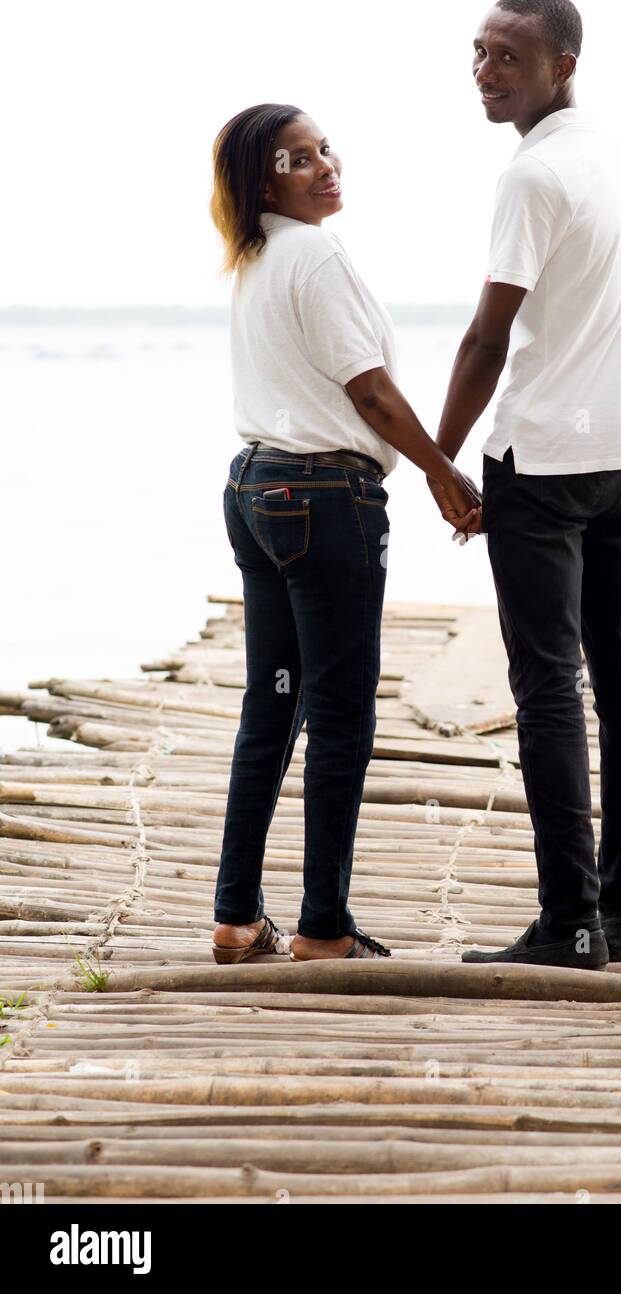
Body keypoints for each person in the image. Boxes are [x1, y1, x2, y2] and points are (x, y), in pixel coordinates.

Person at [209, 103, 479, 965]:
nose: (325, 164)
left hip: (256, 488)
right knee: (340, 714)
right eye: (297, 159)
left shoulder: (255, 257)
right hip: (324, 496)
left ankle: (237, 917)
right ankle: (323, 927)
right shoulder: (312, 254)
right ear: (262, 182)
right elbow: (368, 393)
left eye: (325, 148)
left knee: (272, 704)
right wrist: (442, 470)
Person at [432, 0, 621, 970]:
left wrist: (441, 457)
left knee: (551, 688)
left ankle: (569, 923)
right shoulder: (614, 158)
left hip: (545, 464)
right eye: (479, 52)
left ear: (561, 64)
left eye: (509, 58)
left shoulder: (533, 177)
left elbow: (490, 335)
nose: (487, 71)